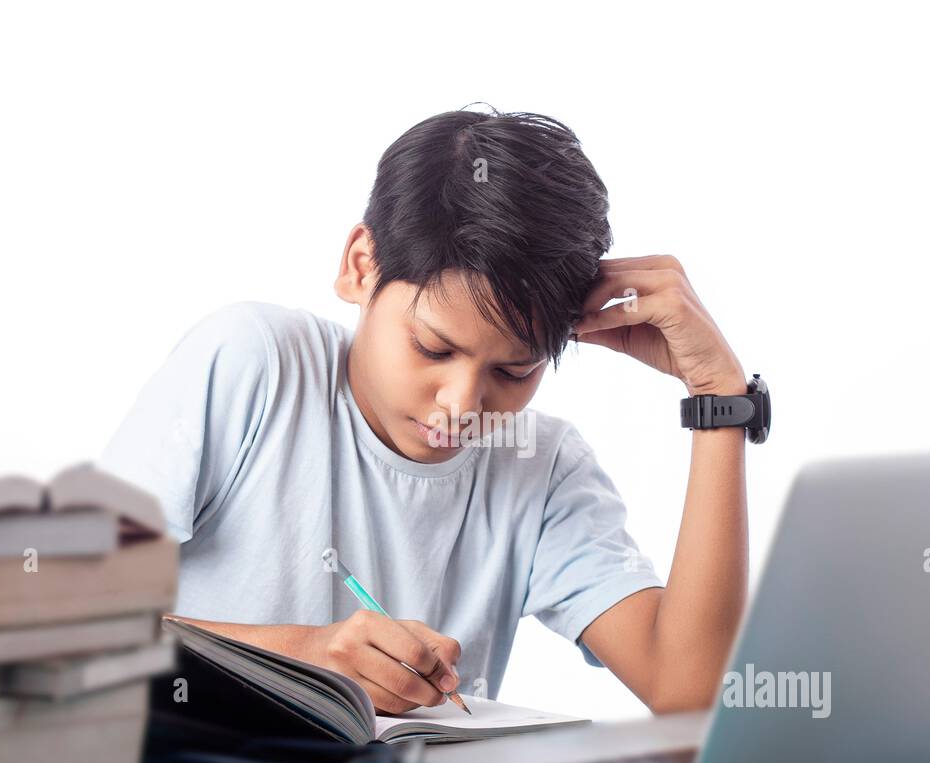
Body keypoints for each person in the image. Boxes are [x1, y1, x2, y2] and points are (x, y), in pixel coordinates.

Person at [100, 107, 749, 716]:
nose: (463, 404)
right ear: (361, 267)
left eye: (513, 369)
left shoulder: (542, 470)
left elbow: (690, 693)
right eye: (433, 347)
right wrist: (305, 655)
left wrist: (718, 396)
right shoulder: (257, 365)